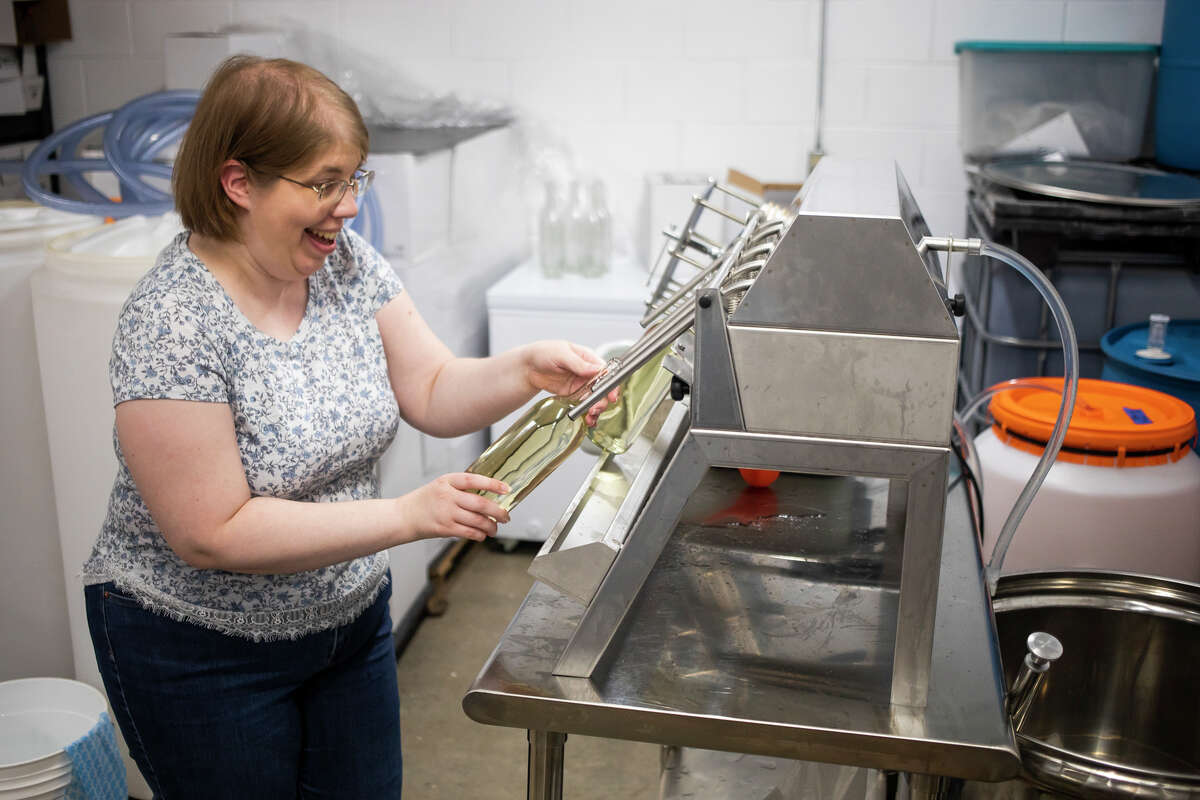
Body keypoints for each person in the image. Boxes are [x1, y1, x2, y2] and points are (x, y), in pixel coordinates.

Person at [81, 55, 612, 800]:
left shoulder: (343, 265)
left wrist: (526, 370)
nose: (349, 207)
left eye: (355, 179)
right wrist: (405, 515)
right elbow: (211, 530)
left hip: (345, 621)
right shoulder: (172, 320)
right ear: (239, 183)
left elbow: (429, 386)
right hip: (199, 649)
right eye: (325, 183)